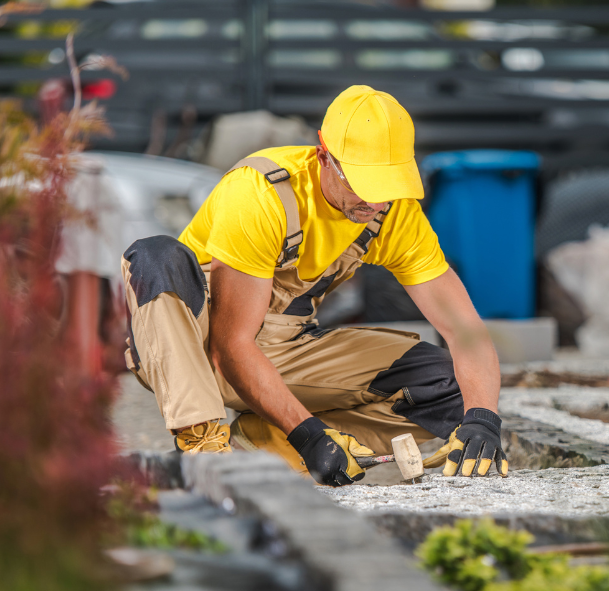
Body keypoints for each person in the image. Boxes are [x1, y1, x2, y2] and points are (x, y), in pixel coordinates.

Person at [120, 85, 508, 486]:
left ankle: (261, 446)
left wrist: (483, 419)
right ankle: (201, 449)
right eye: (364, 184)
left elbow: (466, 333)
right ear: (324, 155)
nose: (376, 204)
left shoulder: (394, 214)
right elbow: (229, 345)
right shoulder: (260, 193)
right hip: (195, 348)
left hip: (284, 349)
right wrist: (309, 433)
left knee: (451, 388)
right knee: (155, 254)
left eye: (388, 186)